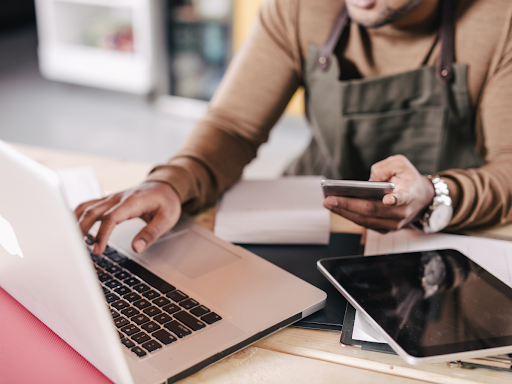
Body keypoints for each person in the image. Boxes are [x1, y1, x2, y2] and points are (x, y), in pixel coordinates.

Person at [77, 0, 512, 255]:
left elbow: (508, 170)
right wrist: (173, 183)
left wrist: (432, 195)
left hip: (442, 239)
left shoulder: (500, 19)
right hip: (311, 223)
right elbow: (232, 126)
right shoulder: (300, 6)